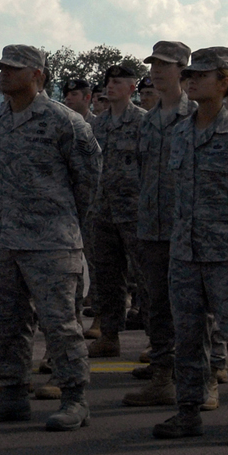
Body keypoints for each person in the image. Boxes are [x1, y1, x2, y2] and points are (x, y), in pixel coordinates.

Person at [0, 45, 102, 432]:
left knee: (60, 324)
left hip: (53, 240)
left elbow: (88, 180)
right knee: (7, 321)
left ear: (38, 74)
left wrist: (63, 222)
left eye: (12, 69)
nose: (3, 75)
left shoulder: (64, 122)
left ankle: (75, 397)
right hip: (6, 237)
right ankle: (12, 392)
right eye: (1, 69)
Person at [146, 47, 228, 444]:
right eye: (189, 76)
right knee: (188, 336)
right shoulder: (180, 133)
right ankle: (188, 410)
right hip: (185, 254)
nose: (191, 81)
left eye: (201, 76)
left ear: (224, 83)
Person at [125, 40, 194, 408]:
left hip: (189, 230)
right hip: (152, 228)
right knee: (157, 306)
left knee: (196, 308)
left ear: (182, 69)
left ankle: (205, 377)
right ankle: (163, 377)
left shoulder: (197, 115)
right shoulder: (147, 122)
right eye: (153, 63)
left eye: (165, 64)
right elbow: (142, 173)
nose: (156, 70)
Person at [88, 62, 147, 359]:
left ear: (132, 88)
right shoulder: (97, 124)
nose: (110, 86)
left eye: (118, 82)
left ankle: (157, 338)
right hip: (104, 211)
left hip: (136, 212)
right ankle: (109, 335)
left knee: (147, 279)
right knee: (108, 278)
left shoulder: (143, 123)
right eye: (108, 82)